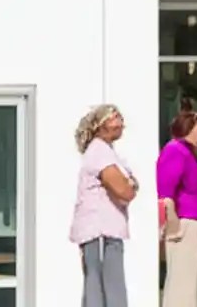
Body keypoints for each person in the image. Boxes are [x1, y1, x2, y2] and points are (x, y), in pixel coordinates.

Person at [71, 104, 136, 307]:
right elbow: (123, 189)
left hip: (108, 230)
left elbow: (130, 184)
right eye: (115, 117)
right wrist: (129, 186)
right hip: (100, 232)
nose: (121, 123)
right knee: (104, 287)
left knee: (104, 285)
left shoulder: (108, 152)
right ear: (101, 124)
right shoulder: (99, 151)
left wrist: (130, 185)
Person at [157, 99, 197, 307]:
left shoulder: (189, 153)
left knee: (192, 279)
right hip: (184, 222)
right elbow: (166, 192)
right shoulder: (175, 150)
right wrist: (173, 225)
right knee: (182, 279)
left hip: (195, 220)